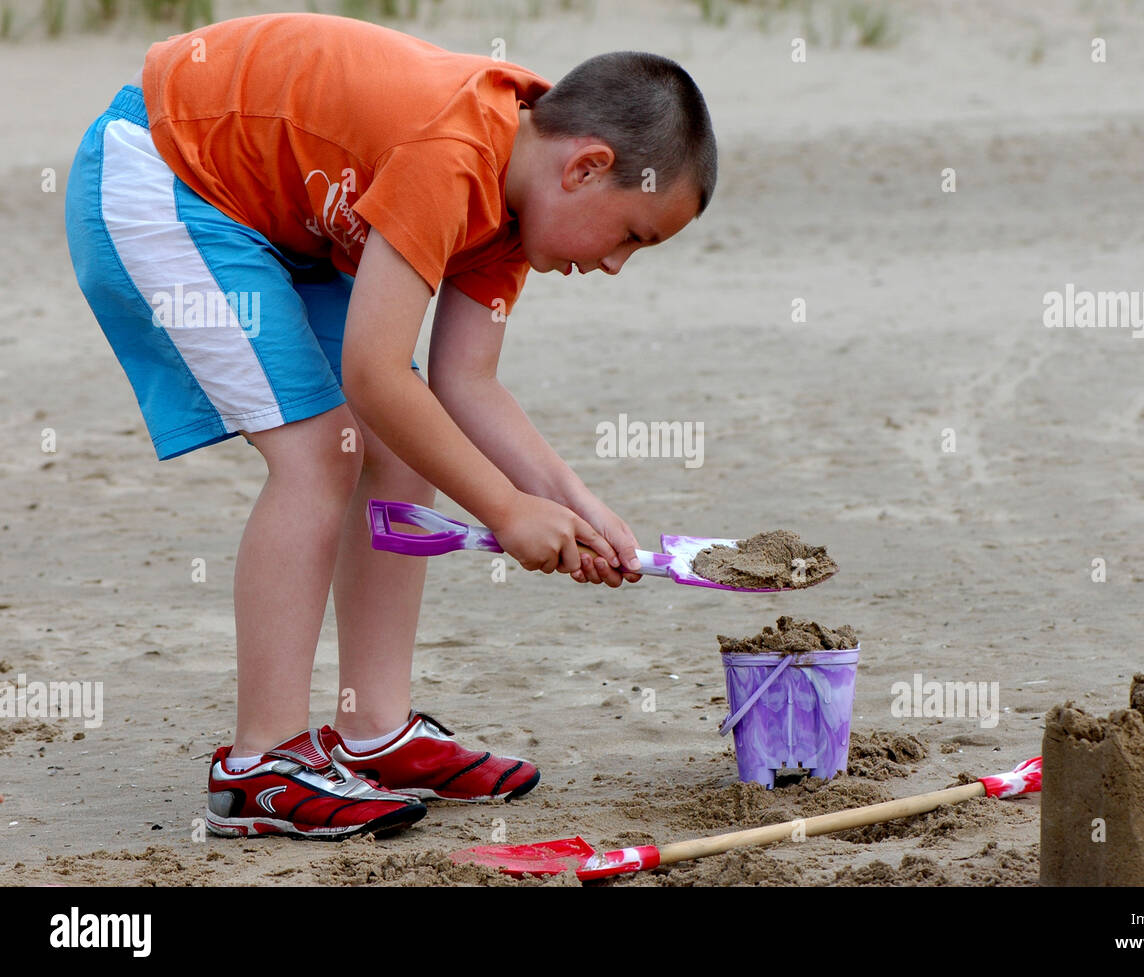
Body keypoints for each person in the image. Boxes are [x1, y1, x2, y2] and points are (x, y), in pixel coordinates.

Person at [64, 12, 717, 839]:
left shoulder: (519, 206)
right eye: (632, 234)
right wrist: (506, 511)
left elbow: (464, 382)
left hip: (281, 221)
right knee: (321, 451)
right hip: (165, 170)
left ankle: (373, 729)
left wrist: (571, 500)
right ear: (588, 166)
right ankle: (257, 765)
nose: (617, 265)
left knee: (399, 453)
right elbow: (373, 376)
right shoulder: (452, 151)